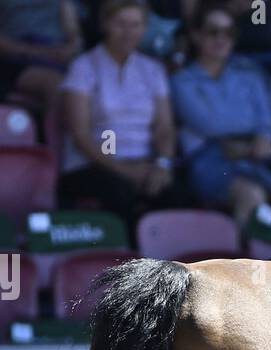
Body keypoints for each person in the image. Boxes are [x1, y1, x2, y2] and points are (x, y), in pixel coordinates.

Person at [170, 3, 271, 225]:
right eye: (213, 31)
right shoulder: (182, 80)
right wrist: (256, 133)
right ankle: (244, 259)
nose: (221, 39)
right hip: (210, 160)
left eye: (228, 32)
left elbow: (267, 117)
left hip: (258, 154)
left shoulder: (249, 71)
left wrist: (263, 137)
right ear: (196, 35)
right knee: (251, 194)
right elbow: (211, 125)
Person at [60, 0, 183, 226]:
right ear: (105, 24)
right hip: (93, 166)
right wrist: (124, 170)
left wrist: (163, 164)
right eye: (121, 24)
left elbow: (164, 126)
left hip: (143, 163)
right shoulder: (83, 66)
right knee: (120, 193)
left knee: (179, 194)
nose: (128, 32)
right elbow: (80, 136)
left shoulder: (153, 69)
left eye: (135, 25)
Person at [0, 0, 83, 109]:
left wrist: (71, 47)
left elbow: (72, 29)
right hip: (10, 58)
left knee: (86, 78)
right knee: (57, 84)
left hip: (58, 52)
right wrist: (40, 53)